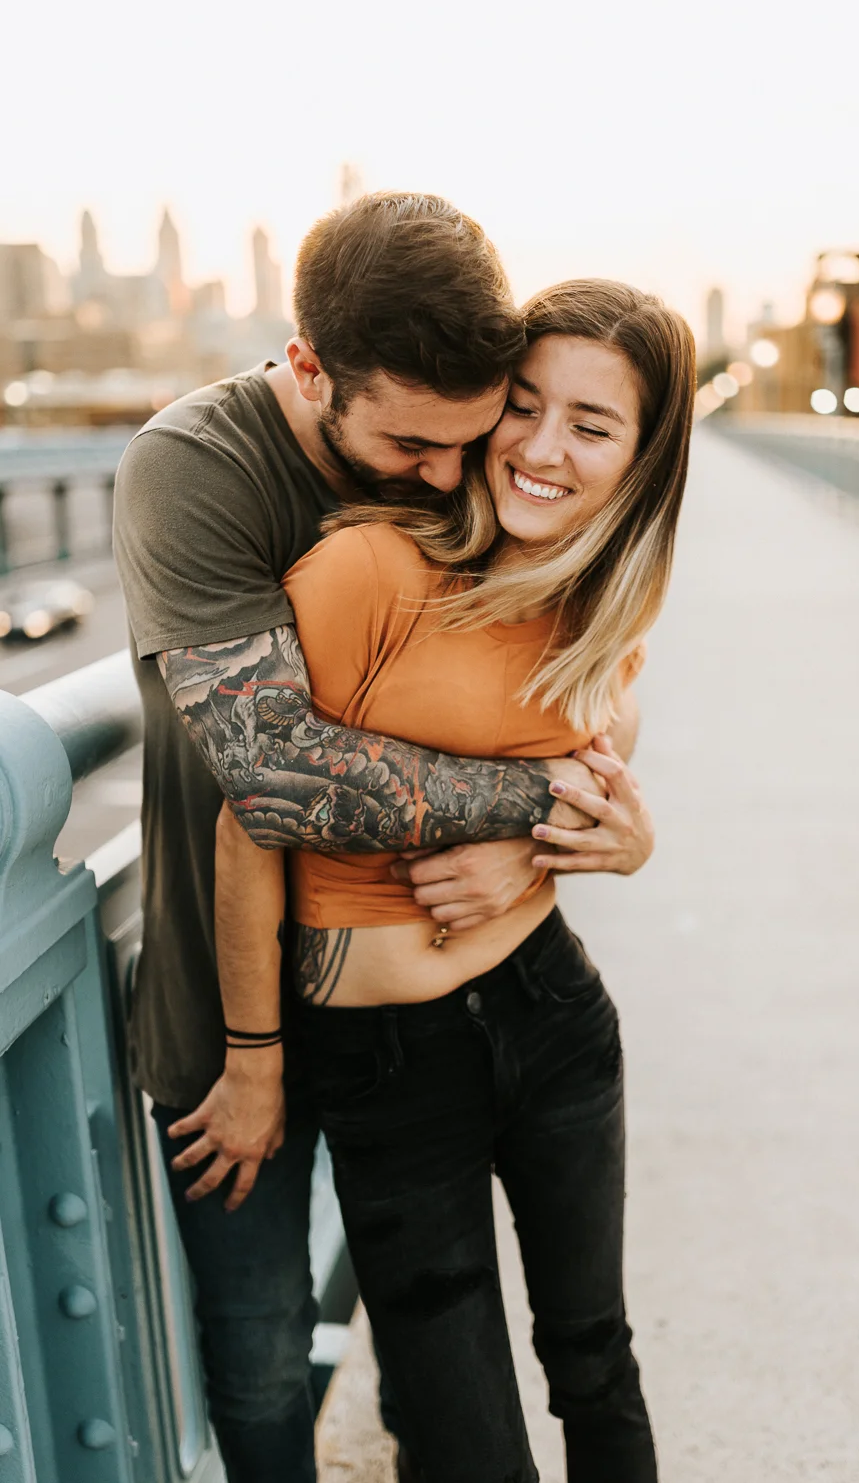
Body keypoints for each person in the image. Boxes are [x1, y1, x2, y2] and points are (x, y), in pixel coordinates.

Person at [113, 195, 649, 1483]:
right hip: (225, 1007)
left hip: (422, 1022)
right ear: (309, 369)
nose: (446, 474)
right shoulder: (197, 470)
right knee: (256, 1356)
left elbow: (558, 681)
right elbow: (280, 786)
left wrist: (586, 824)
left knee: (435, 1373)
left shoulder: (463, 471)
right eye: (412, 443)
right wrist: (553, 817)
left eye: (473, 439)